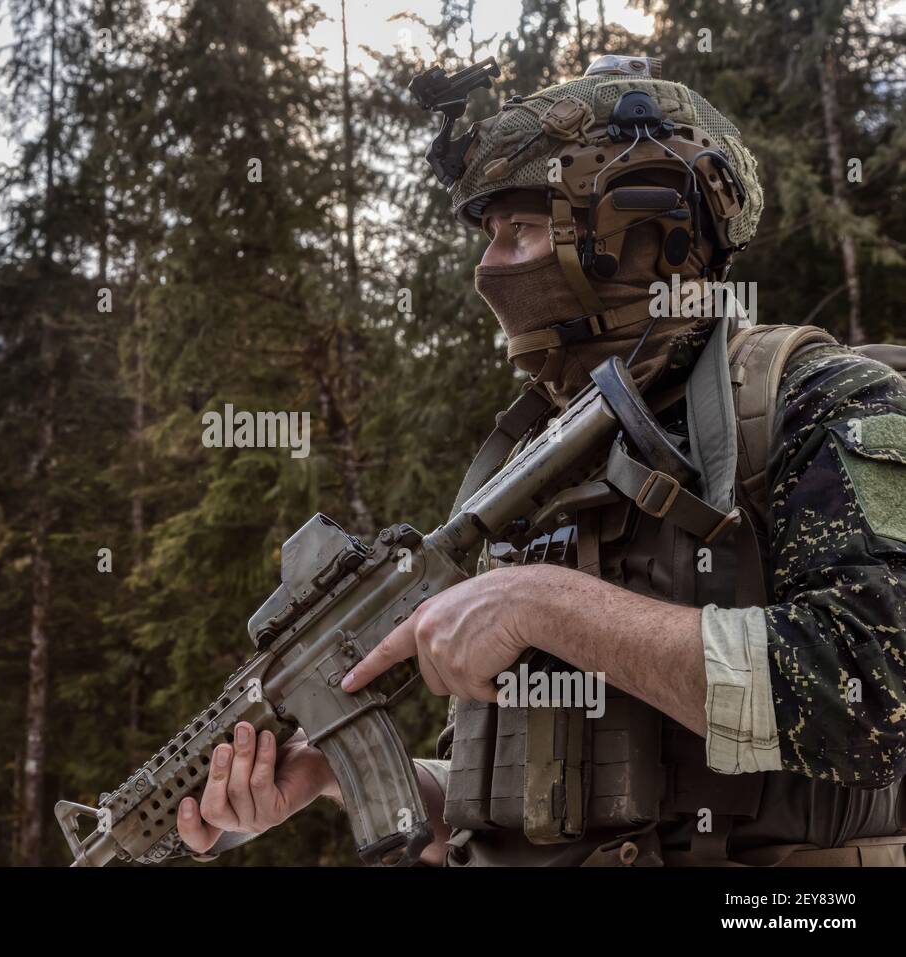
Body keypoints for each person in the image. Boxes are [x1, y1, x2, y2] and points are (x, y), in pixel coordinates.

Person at [179, 54, 906, 866]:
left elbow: (871, 697)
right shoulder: (534, 465)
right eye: (487, 236)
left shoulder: (818, 401)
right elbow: (523, 803)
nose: (489, 269)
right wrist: (328, 778)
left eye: (522, 229)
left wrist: (541, 603)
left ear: (643, 235)